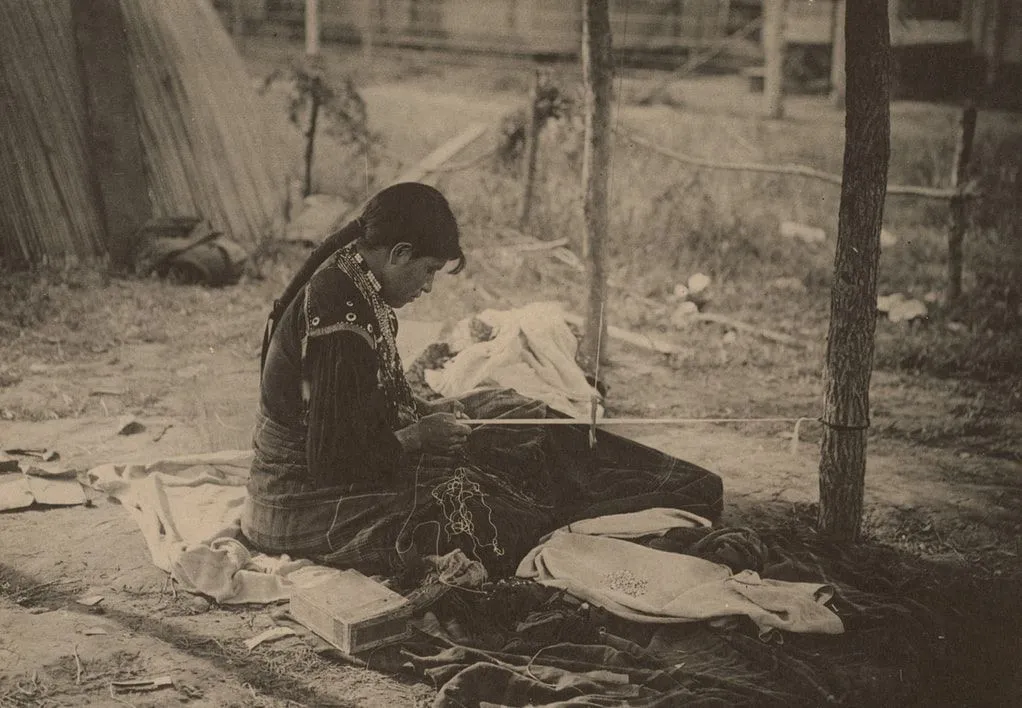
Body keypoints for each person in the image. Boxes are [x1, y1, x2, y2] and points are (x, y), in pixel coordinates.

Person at [242, 182, 722, 578]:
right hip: (300, 500)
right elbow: (330, 461)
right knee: (492, 512)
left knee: (515, 419)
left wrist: (427, 417)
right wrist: (415, 437)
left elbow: (363, 404)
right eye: (428, 271)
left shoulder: (357, 275)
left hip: (333, 469)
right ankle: (646, 502)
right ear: (399, 253)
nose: (428, 286)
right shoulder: (338, 313)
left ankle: (674, 486)